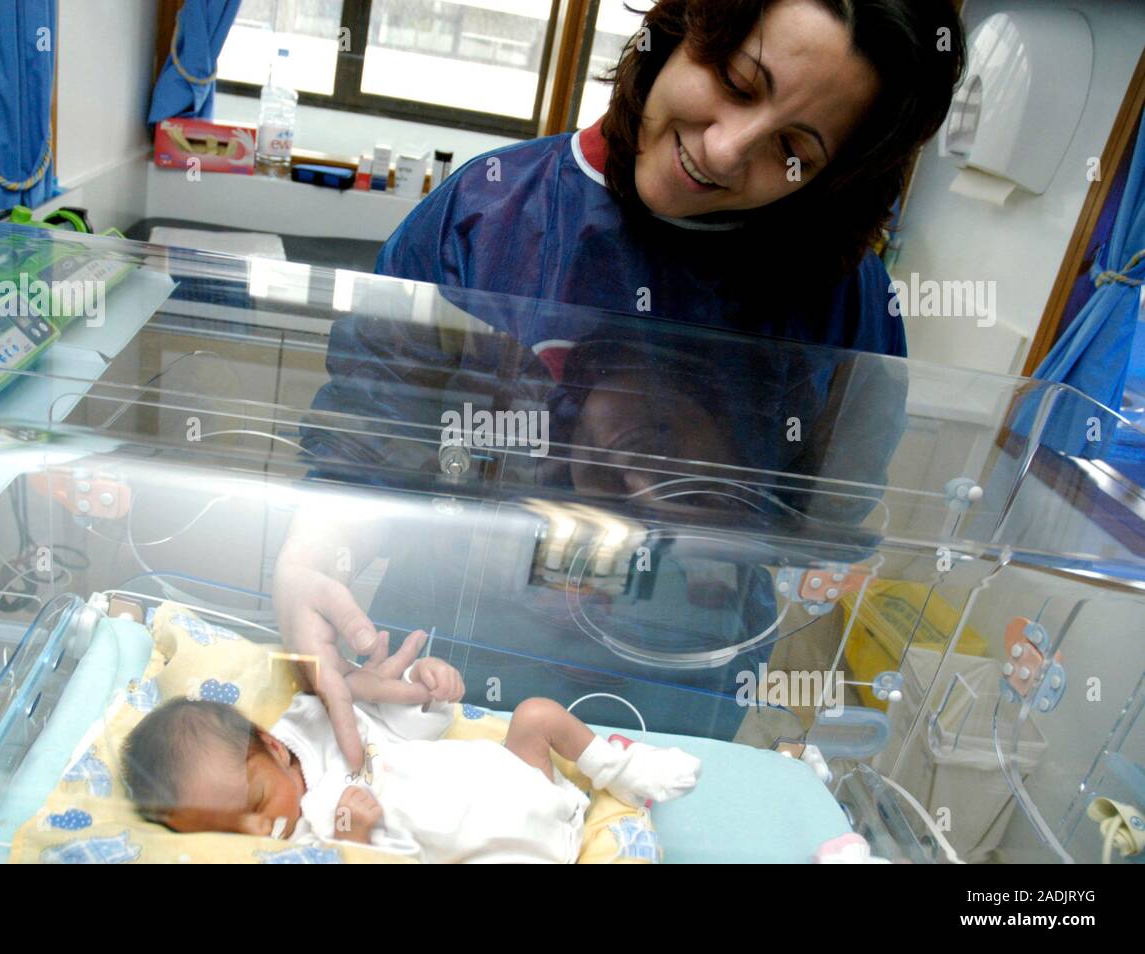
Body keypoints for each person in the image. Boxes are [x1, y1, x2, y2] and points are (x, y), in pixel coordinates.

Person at [277, 0, 963, 770]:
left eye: (794, 147)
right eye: (737, 82)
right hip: (446, 684)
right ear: (682, 30)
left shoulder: (843, 299)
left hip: (672, 702)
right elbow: (365, 447)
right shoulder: (487, 213)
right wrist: (311, 558)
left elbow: (827, 517)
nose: (727, 150)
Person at [121, 634, 700, 863]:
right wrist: (351, 841)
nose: (257, 827)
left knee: (536, 715)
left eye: (253, 800)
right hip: (489, 848)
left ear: (271, 747)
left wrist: (424, 684)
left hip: (514, 776)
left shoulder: (317, 717)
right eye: (227, 830)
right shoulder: (300, 842)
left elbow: (398, 717)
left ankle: (619, 769)